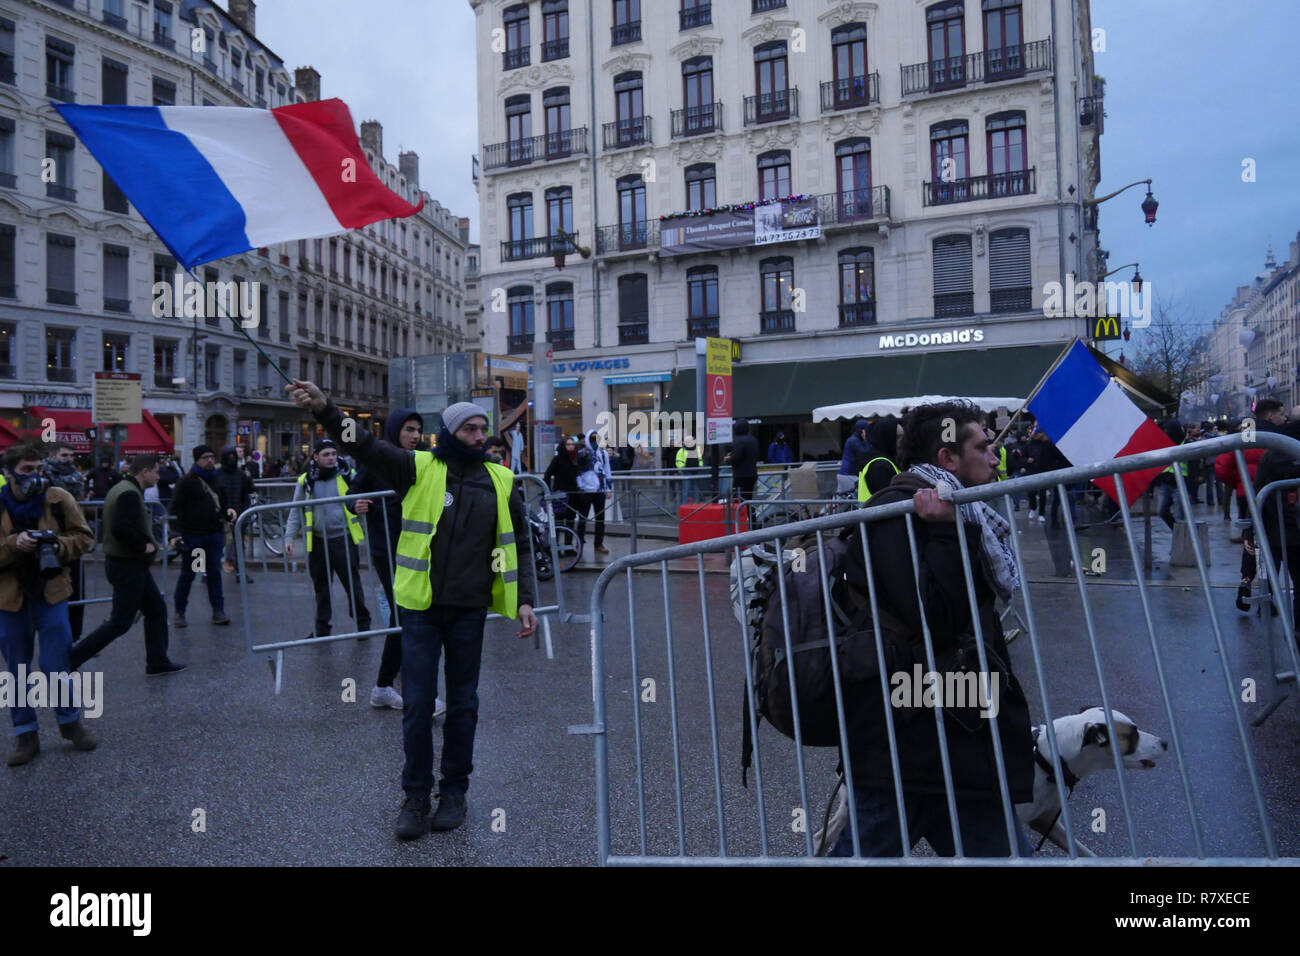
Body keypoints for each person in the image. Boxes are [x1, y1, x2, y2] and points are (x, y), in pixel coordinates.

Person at [287, 381, 538, 839]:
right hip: (419, 608)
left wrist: (524, 599)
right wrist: (325, 408)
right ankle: (416, 796)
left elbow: (518, 541)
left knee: (462, 705)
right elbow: (361, 445)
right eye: (470, 429)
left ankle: (455, 792)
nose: (480, 436)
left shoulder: (500, 479)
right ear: (449, 432)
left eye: (483, 429)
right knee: (419, 706)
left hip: (468, 609)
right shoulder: (417, 467)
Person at [833, 402, 1034, 857]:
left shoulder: (964, 511)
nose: (996, 457)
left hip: (951, 741)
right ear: (948, 458)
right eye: (983, 446)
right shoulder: (896, 510)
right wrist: (946, 533)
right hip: (906, 745)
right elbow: (936, 620)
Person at [0, 442, 97, 766]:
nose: (36, 477)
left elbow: (84, 537)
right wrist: (15, 544)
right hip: (9, 597)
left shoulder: (58, 498)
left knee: (57, 665)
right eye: (28, 470)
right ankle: (26, 734)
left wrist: (56, 545)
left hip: (52, 592)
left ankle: (70, 724)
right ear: (8, 472)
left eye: (40, 469)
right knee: (16, 670)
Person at [353, 408, 445, 716]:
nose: (415, 435)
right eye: (408, 429)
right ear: (395, 431)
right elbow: (353, 491)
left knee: (404, 620)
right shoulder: (377, 460)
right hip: (387, 550)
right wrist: (356, 503)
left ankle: (382, 688)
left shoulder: (422, 460)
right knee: (408, 619)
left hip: (418, 549)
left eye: (418, 430)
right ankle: (419, 696)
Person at [69, 455, 185, 677]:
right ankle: (71, 659)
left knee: (156, 609)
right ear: (145, 472)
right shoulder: (129, 493)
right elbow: (121, 528)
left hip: (129, 564)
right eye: (156, 472)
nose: (158, 476)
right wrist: (144, 547)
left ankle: (157, 661)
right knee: (120, 622)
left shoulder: (123, 488)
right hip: (126, 565)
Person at [284, 440, 372, 641]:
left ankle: (363, 626)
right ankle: (322, 629)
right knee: (321, 588)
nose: (331, 458)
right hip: (317, 542)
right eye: (326, 454)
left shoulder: (347, 475)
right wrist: (289, 537)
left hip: (343, 538)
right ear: (315, 457)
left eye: (333, 453)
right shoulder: (306, 480)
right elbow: (295, 511)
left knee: (353, 585)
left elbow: (365, 498)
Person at [168, 444, 234, 628]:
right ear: (197, 460)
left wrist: (229, 511)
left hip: (213, 535)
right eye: (205, 457)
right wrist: (175, 534)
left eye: (212, 456)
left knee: (214, 573)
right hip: (194, 537)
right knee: (189, 574)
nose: (210, 460)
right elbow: (175, 510)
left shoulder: (217, 480)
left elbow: (224, 503)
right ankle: (180, 612)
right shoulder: (187, 482)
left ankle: (218, 611)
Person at [44, 442, 87, 641]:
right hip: (49, 540)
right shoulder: (43, 476)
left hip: (72, 538)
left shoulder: (77, 478)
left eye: (71, 455)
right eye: (64, 455)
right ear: (52, 456)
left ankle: (74, 638)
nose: (69, 459)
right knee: (54, 590)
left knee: (77, 592)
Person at [214, 446, 254, 581]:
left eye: (233, 456)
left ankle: (240, 573)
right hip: (220, 515)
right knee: (215, 545)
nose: (231, 459)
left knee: (239, 546)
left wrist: (243, 511)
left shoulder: (241, 474)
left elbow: (246, 493)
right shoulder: (217, 474)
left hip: (238, 514)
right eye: (229, 456)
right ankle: (207, 573)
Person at [574, 430, 612, 554]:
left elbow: (607, 471)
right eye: (593, 439)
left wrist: (608, 488)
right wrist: (580, 487)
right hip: (586, 490)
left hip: (600, 490)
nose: (595, 442)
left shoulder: (603, 453)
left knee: (600, 519)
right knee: (582, 519)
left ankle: (599, 543)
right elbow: (578, 471)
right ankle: (579, 543)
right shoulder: (582, 453)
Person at [856, 416, 901, 503]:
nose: (903, 441)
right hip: (877, 516)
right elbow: (892, 504)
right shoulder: (880, 466)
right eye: (899, 437)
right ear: (887, 439)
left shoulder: (882, 460)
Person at [543, 436, 581, 533]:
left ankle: (569, 547)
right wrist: (548, 491)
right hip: (560, 495)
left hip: (573, 494)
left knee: (571, 521)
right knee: (558, 521)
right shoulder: (558, 459)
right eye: (568, 444)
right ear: (563, 445)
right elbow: (547, 474)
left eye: (573, 444)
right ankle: (557, 546)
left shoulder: (575, 459)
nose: (571, 446)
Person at [837, 418, 875, 495]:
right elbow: (866, 453)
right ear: (863, 430)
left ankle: (831, 507)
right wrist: (868, 440)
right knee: (850, 500)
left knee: (842, 500)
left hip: (846, 474)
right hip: (849, 475)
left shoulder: (855, 440)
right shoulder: (854, 441)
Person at [727, 418, 760, 501]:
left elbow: (735, 458)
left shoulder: (739, 441)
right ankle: (751, 513)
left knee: (738, 500)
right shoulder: (753, 440)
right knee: (748, 498)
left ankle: (742, 514)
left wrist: (728, 460)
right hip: (752, 473)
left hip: (741, 475)